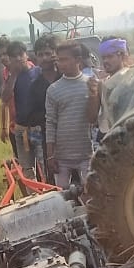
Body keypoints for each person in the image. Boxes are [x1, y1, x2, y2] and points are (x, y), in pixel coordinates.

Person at [45, 39, 93, 189]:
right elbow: (50, 122)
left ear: (78, 60)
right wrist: (50, 155)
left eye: (65, 59)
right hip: (62, 156)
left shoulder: (91, 85)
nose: (60, 64)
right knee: (63, 195)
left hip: (87, 153)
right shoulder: (53, 90)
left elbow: (96, 118)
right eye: (59, 60)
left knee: (89, 193)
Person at [12, 33, 58, 181]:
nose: (44, 58)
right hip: (46, 139)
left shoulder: (65, 78)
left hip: (71, 138)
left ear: (55, 55)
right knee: (48, 174)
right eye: (40, 54)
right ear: (36, 57)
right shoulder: (35, 86)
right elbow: (31, 116)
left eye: (48, 53)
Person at [86, 36, 127, 137]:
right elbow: (92, 118)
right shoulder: (102, 84)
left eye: (110, 56)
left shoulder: (131, 79)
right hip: (106, 135)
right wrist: (93, 95)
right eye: (103, 57)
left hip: (126, 135)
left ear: (121, 56)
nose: (105, 61)